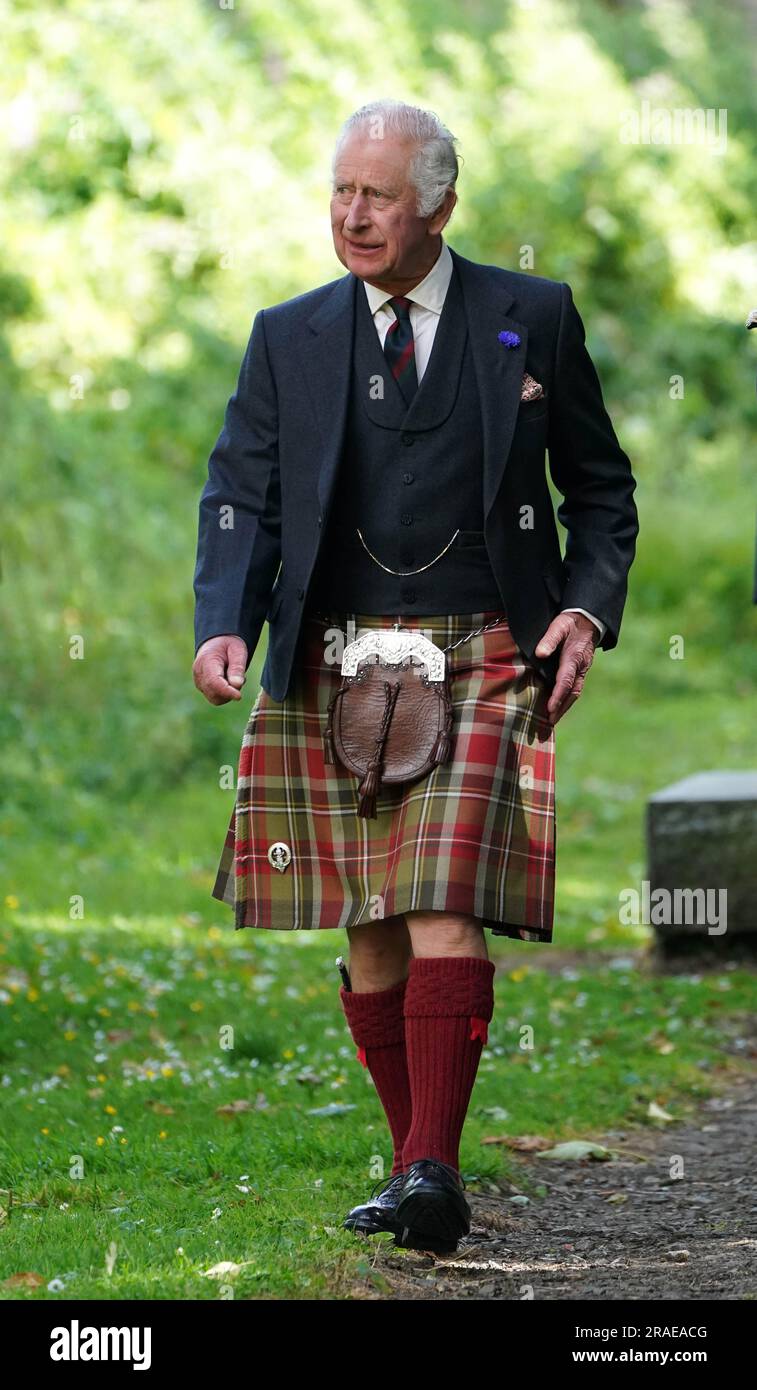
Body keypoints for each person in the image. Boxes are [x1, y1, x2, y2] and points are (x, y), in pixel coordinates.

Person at [192, 99, 639, 1254]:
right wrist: (224, 621)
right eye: (341, 190)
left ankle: (433, 1168)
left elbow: (599, 486)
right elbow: (240, 490)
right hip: (330, 651)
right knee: (366, 920)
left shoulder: (527, 317)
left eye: (377, 194)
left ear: (437, 203)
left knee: (441, 893)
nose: (352, 213)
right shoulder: (288, 333)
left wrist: (585, 607)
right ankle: (413, 1164)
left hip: (486, 640)